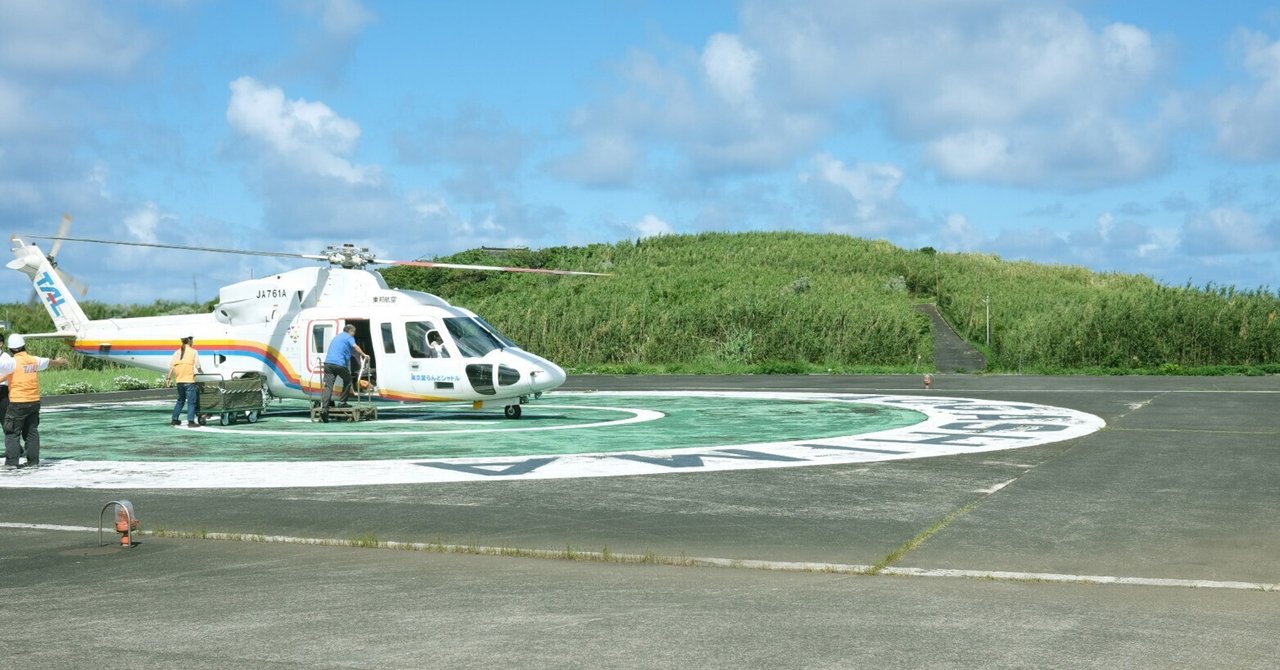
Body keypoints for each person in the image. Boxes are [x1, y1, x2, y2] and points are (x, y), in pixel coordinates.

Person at [1, 334, 68, 469]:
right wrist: (59, 362)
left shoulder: (11, 362)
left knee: (12, 433)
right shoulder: (34, 360)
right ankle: (33, 462)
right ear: (23, 346)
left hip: (18, 403)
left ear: (11, 349)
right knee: (31, 432)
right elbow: (48, 361)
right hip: (34, 401)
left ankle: (12, 463)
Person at [320, 324, 368, 422]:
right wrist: (364, 355)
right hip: (339, 364)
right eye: (354, 332)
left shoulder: (337, 337)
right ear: (350, 331)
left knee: (328, 387)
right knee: (348, 380)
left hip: (328, 364)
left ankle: (324, 409)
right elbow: (355, 346)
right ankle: (342, 402)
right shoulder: (349, 337)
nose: (354, 334)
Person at [164, 335, 203, 427]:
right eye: (192, 339)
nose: (193, 341)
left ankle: (175, 420)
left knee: (180, 401)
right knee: (191, 402)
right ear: (189, 340)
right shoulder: (193, 352)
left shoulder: (177, 352)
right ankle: (191, 422)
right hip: (189, 381)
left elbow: (171, 367)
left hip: (179, 382)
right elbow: (198, 365)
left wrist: (168, 378)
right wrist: (201, 371)